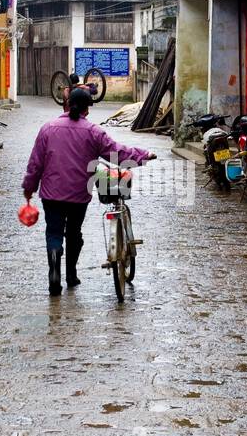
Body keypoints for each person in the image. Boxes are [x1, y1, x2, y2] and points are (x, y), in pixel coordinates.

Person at [22, 86, 156, 295]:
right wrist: (143, 154)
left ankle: (54, 275)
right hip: (78, 196)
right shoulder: (93, 132)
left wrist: (29, 188)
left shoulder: (47, 128)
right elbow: (117, 153)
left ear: (66, 105)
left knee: (54, 234)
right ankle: (71, 274)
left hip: (51, 195)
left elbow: (35, 163)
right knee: (74, 234)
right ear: (87, 110)